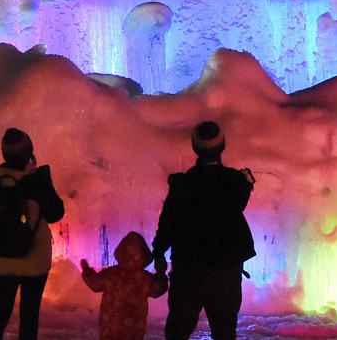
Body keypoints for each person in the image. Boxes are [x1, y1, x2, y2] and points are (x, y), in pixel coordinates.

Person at [151, 121, 256, 340]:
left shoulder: (183, 185)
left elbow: (168, 221)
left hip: (189, 269)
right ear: (223, 146)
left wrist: (158, 251)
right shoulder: (237, 181)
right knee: (225, 330)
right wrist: (246, 182)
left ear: (194, 147)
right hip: (227, 268)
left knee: (178, 330)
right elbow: (239, 203)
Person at [0, 127, 65, 340]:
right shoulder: (37, 180)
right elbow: (56, 213)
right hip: (34, 260)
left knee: (0, 312)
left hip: (3, 258)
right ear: (29, 152)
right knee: (29, 317)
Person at [80, 231, 168, 340]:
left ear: (120, 252)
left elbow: (94, 284)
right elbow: (159, 289)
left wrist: (87, 271)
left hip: (110, 326)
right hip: (134, 328)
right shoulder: (145, 278)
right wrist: (161, 274)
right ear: (144, 255)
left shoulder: (111, 274)